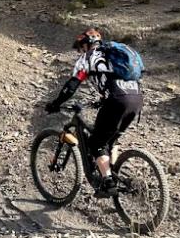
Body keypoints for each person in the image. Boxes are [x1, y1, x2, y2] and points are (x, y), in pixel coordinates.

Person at [44, 28, 143, 197]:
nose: (79, 51)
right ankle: (110, 171)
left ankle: (108, 182)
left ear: (85, 45)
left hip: (117, 100)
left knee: (96, 143)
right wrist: (103, 99)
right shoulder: (114, 56)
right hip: (136, 99)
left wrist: (56, 103)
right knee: (110, 138)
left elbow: (71, 86)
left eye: (79, 48)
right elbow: (120, 82)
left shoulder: (88, 58)